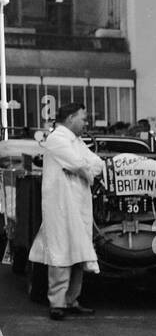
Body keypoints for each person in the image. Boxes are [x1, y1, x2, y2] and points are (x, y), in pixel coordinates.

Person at [28, 102, 103, 320]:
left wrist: (86, 169)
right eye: (83, 118)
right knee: (61, 252)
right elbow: (78, 163)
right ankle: (57, 303)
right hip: (60, 206)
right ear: (70, 118)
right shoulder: (57, 139)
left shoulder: (76, 141)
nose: (86, 122)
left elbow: (95, 163)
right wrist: (86, 170)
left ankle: (71, 300)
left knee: (79, 252)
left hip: (78, 204)